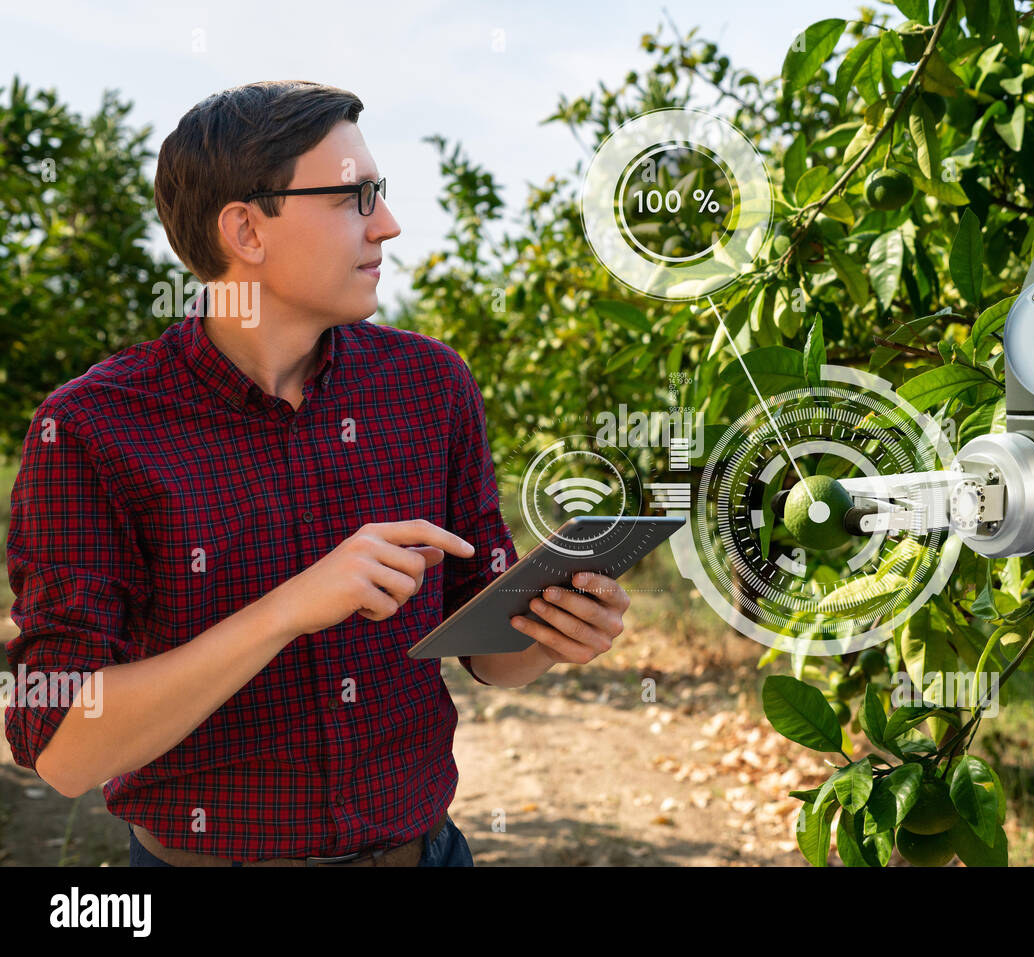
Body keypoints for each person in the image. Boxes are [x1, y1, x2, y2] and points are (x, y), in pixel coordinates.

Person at [2, 80, 630, 867]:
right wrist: (289, 607)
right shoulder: (94, 428)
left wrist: (553, 631)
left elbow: (490, 652)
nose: (389, 224)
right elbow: (60, 747)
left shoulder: (430, 385)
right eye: (354, 197)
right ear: (246, 229)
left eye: (382, 193)